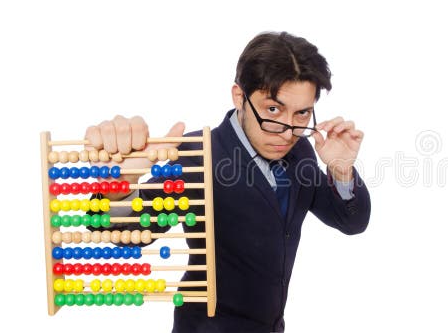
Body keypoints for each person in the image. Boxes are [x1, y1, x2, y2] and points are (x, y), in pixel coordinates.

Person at [84, 31, 371, 332]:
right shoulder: (197, 155)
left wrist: (341, 170)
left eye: (302, 114)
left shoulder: (301, 150)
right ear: (239, 97)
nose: (287, 132)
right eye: (273, 110)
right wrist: (118, 186)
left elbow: (351, 222)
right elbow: (117, 236)